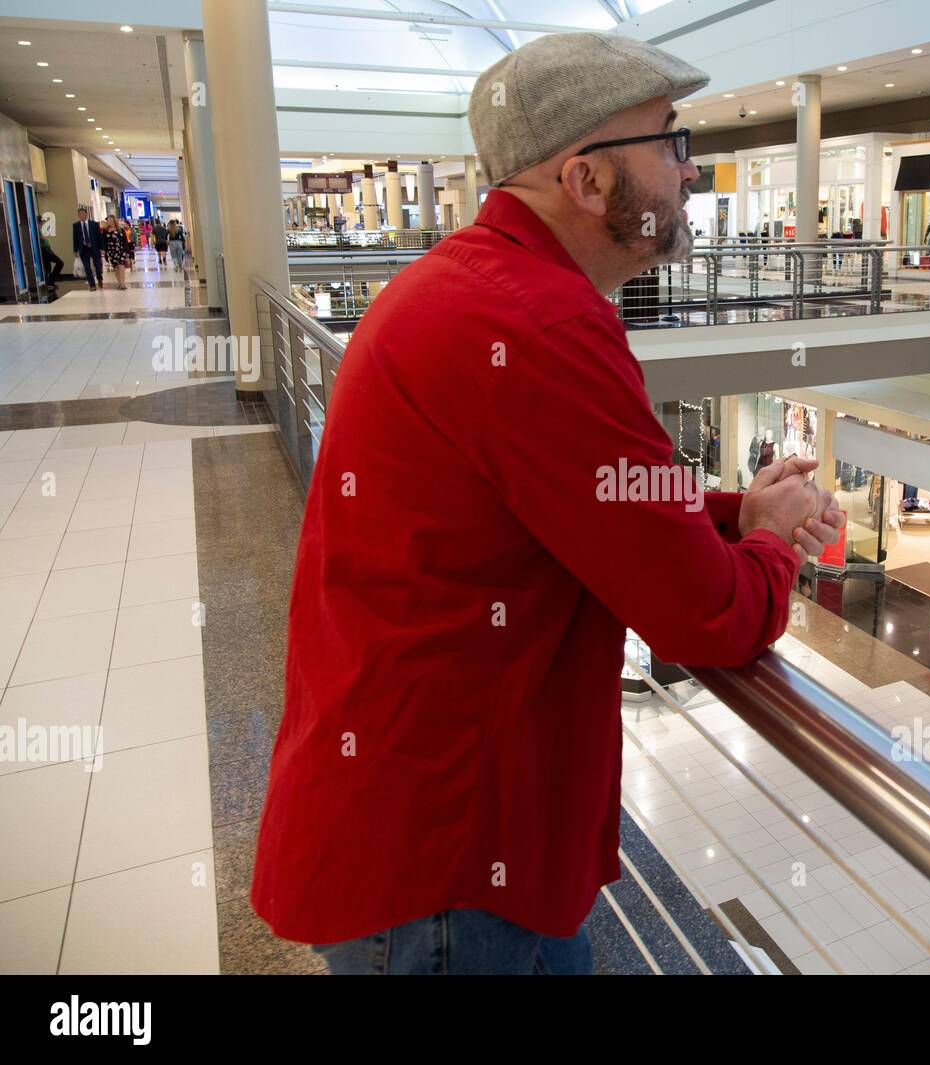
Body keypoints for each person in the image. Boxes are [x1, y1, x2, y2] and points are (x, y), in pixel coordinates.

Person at [250, 31, 846, 976]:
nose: (688, 172)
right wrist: (771, 544)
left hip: (408, 834)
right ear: (587, 179)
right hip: (452, 875)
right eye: (669, 139)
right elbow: (711, 617)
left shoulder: (463, 287)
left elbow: (555, 496)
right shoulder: (541, 324)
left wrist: (732, 512)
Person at [71, 207, 104, 291]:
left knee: (98, 266)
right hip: (83, 249)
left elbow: (99, 237)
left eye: (83, 214)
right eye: (79, 214)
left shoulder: (94, 224)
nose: (81, 215)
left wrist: (102, 248)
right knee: (87, 267)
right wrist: (75, 250)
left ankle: (99, 277)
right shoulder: (76, 225)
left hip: (94, 248)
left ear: (86, 214)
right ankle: (92, 285)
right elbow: (75, 238)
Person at [101, 215, 130, 290]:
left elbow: (125, 241)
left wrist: (127, 252)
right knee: (115, 267)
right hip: (111, 251)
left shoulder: (120, 230)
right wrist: (104, 251)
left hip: (121, 250)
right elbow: (104, 242)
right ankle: (119, 282)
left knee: (121, 265)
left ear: (114, 221)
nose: (110, 222)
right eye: (108, 221)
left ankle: (123, 283)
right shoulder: (105, 231)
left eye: (111, 220)